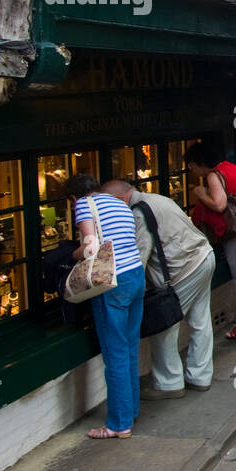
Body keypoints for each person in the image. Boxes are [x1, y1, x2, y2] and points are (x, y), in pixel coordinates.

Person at [104, 179, 216, 398]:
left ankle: (169, 383)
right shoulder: (156, 198)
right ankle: (200, 376)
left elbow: (140, 256)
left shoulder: (138, 213)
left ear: (120, 199)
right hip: (204, 256)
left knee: (164, 324)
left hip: (184, 270)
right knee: (200, 321)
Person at [67, 173, 146, 439]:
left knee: (115, 354)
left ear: (73, 198)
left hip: (112, 282)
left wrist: (71, 254)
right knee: (130, 346)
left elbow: (91, 247)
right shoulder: (118, 203)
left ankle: (118, 424)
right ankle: (131, 409)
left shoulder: (83, 205)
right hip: (136, 275)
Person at [186, 144, 236, 340]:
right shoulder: (231, 167)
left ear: (200, 162)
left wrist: (202, 195)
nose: (192, 171)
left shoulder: (213, 175)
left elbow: (219, 205)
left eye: (192, 166)